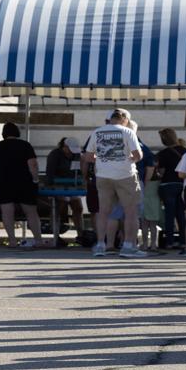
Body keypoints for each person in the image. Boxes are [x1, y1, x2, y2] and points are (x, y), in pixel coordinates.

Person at [82, 108, 147, 258]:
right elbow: (138, 155)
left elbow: (88, 157)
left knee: (103, 212)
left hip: (103, 175)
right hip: (125, 175)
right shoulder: (127, 132)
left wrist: (105, 159)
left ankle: (100, 245)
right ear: (125, 120)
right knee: (131, 212)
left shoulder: (97, 132)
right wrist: (126, 160)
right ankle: (128, 246)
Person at [0, 122, 42, 248]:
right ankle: (38, 240)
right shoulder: (25, 145)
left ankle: (12, 241)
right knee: (30, 212)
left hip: (3, 181)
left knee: (7, 211)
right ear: (17, 132)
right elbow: (33, 164)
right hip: (24, 181)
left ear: (4, 133)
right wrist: (35, 179)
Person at [45, 137, 86, 247]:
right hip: (58, 185)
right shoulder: (54, 155)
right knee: (60, 204)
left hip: (73, 185)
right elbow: (50, 172)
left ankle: (80, 234)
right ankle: (56, 234)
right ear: (64, 147)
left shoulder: (77, 155)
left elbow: (82, 170)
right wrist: (50, 188)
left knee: (78, 207)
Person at [153, 128, 186, 249]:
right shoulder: (185, 152)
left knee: (169, 214)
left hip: (167, 185)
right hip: (182, 184)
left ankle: (170, 241)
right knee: (181, 214)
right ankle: (184, 241)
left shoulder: (162, 154)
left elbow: (161, 173)